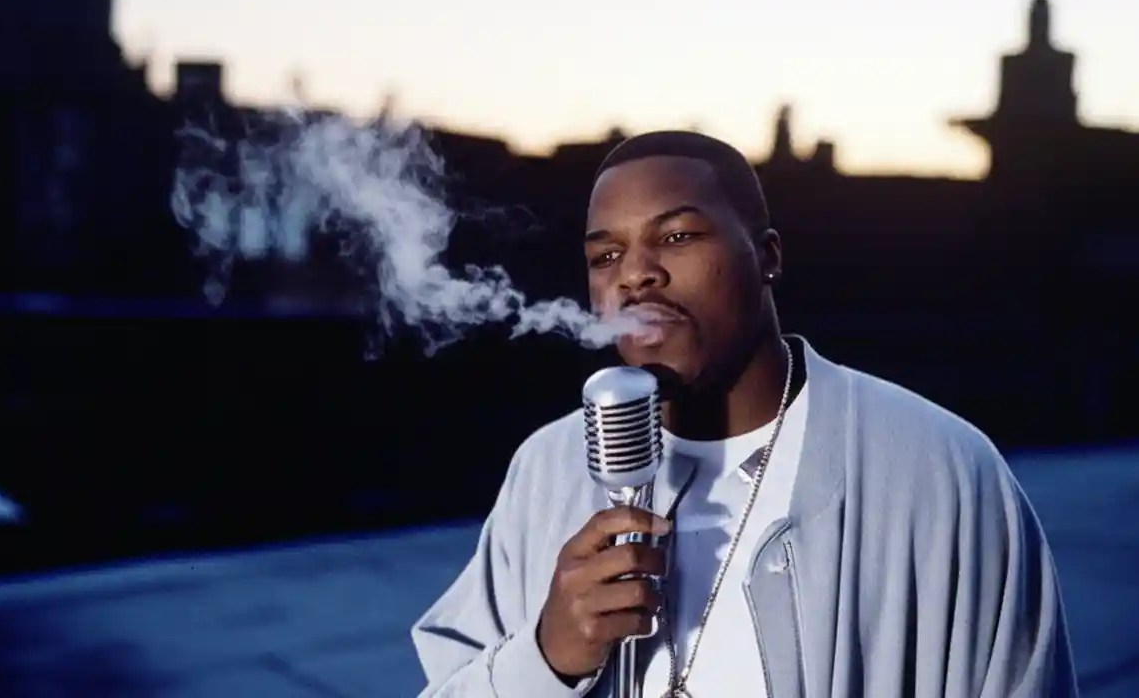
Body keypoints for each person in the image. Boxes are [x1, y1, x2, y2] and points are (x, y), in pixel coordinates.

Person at [411, 131, 1078, 697]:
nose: (635, 275)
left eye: (675, 235)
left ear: (767, 256)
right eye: (605, 255)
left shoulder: (938, 468)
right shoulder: (548, 468)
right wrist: (547, 657)